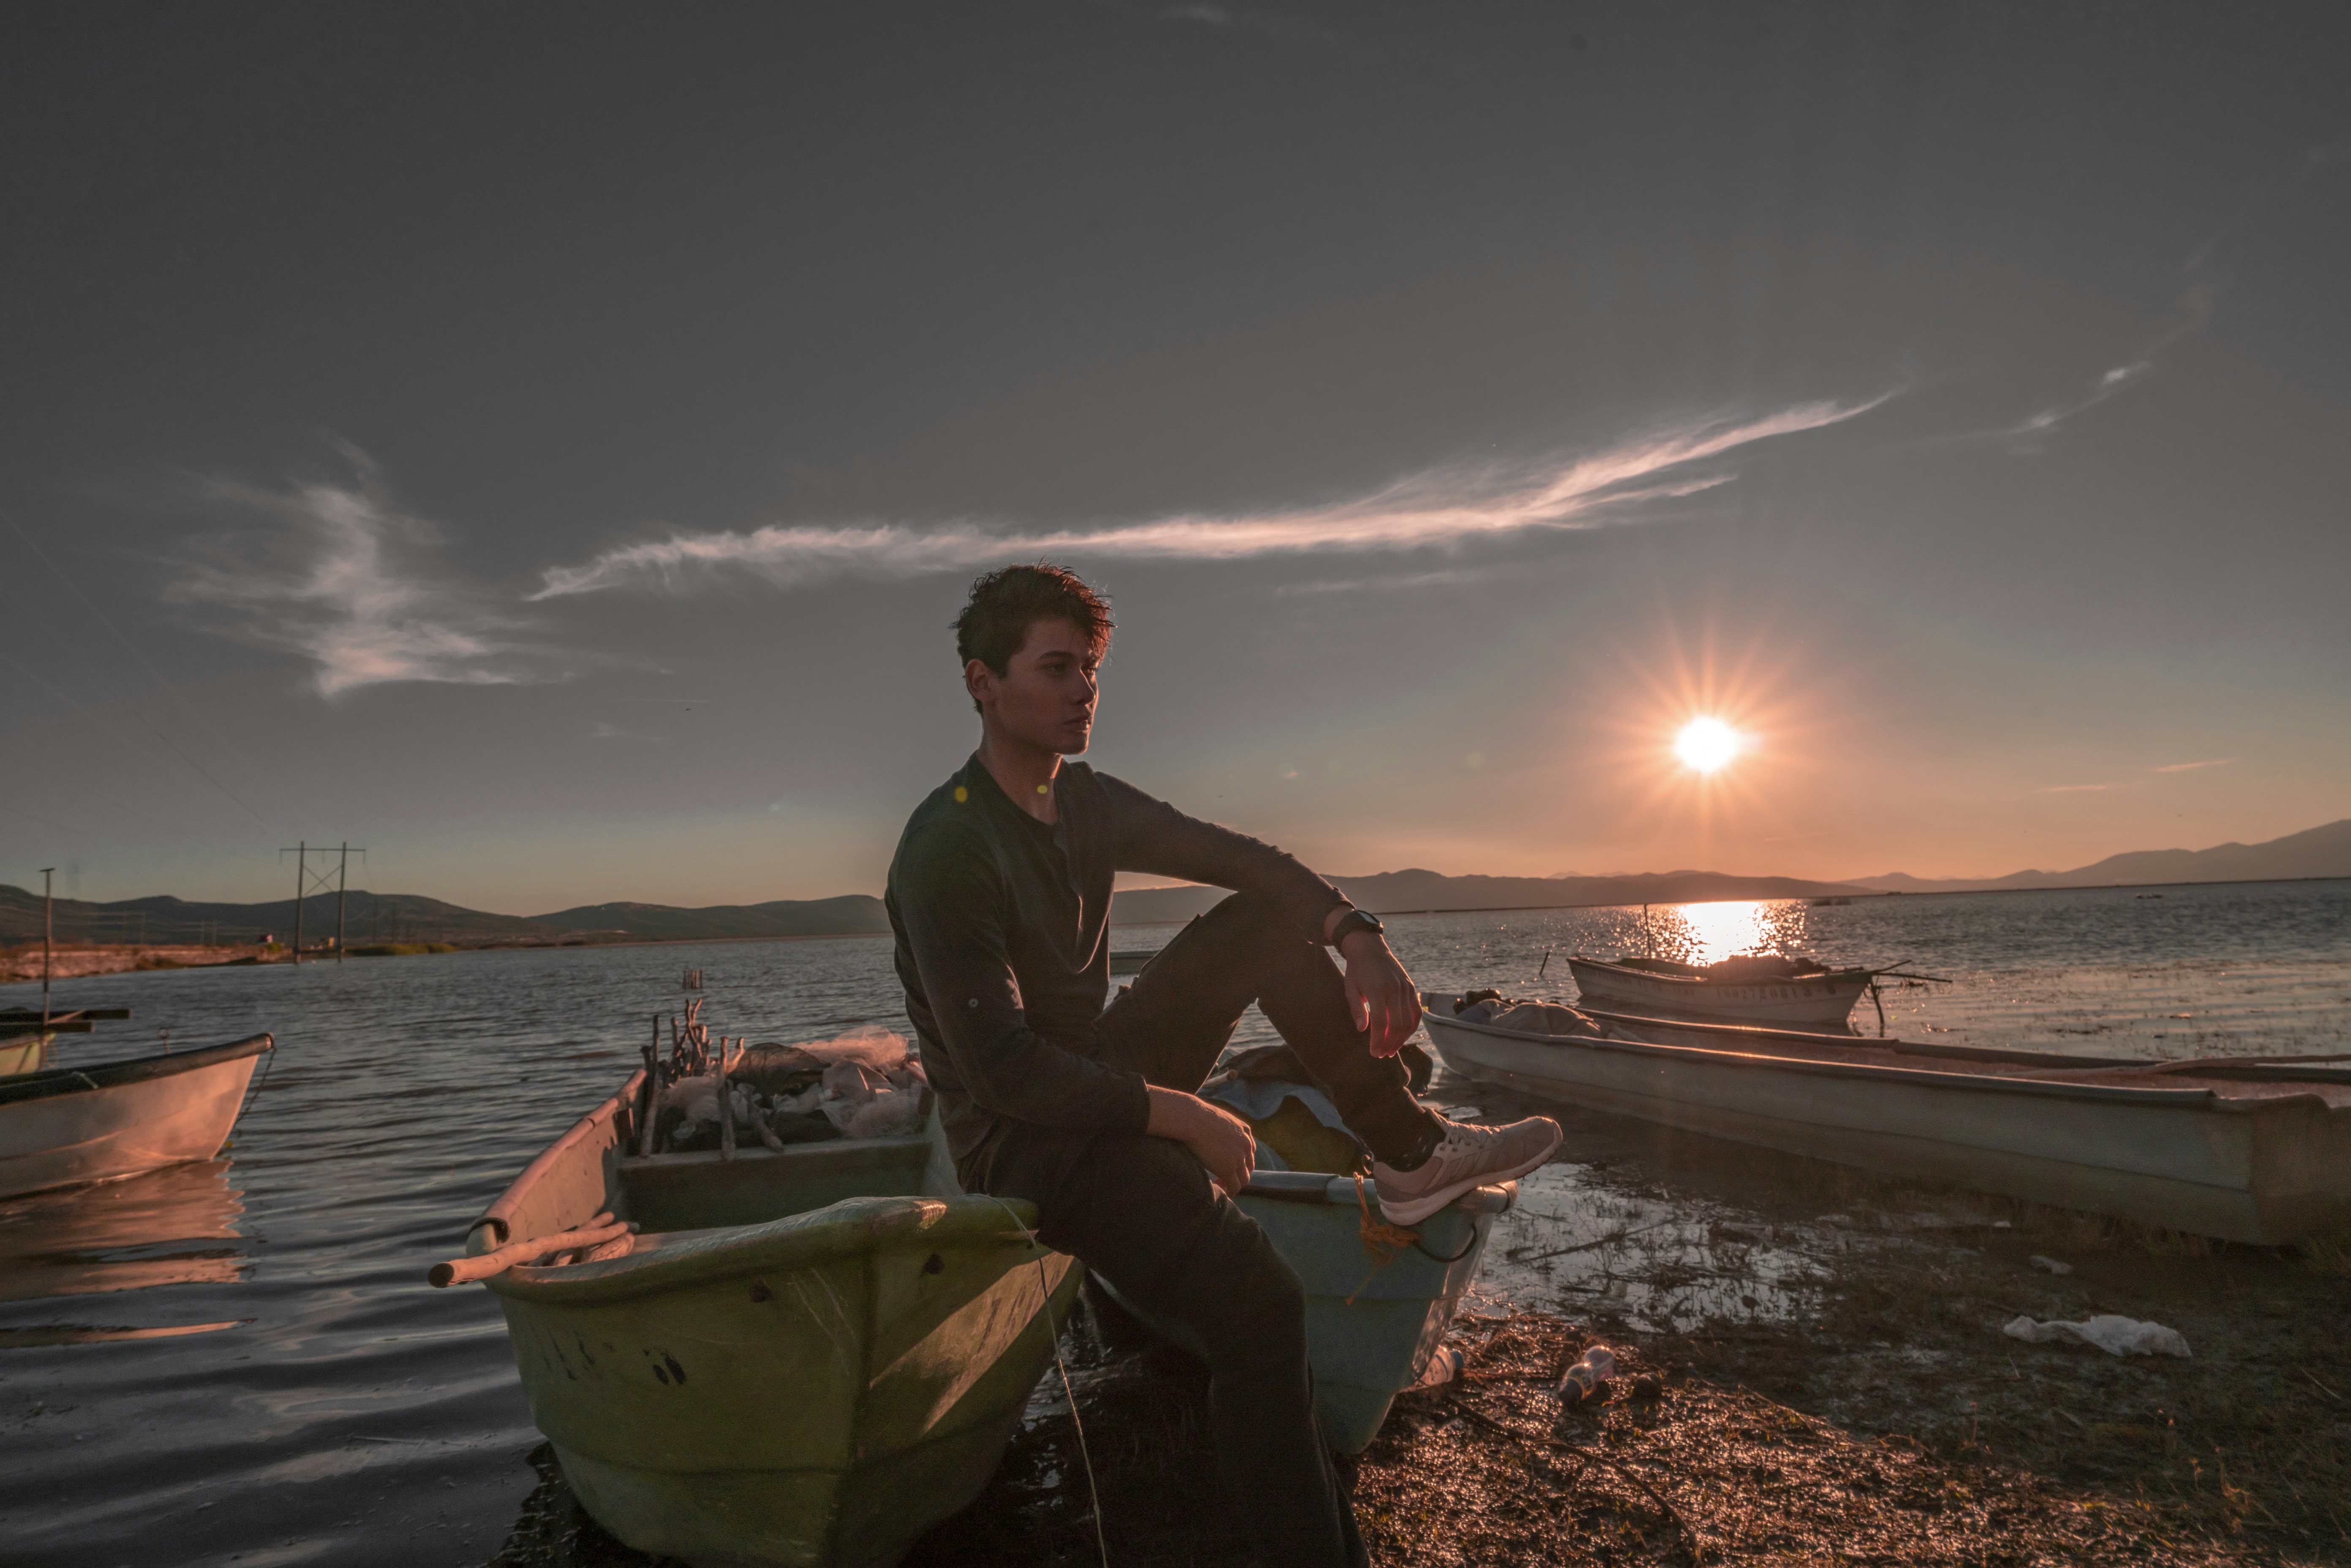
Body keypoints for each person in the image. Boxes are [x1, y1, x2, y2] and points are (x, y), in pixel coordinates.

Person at [886, 562, 1562, 1566]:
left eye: (1092, 670)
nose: (1083, 691)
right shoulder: (948, 843)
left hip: (1097, 1070)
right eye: (1056, 667)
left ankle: (1410, 1155)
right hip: (1022, 1139)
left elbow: (1247, 862)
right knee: (1257, 1305)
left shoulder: (1088, 803)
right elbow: (1000, 1071)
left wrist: (1357, 934)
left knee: (1256, 929)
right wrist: (1180, 1115)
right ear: (984, 684)